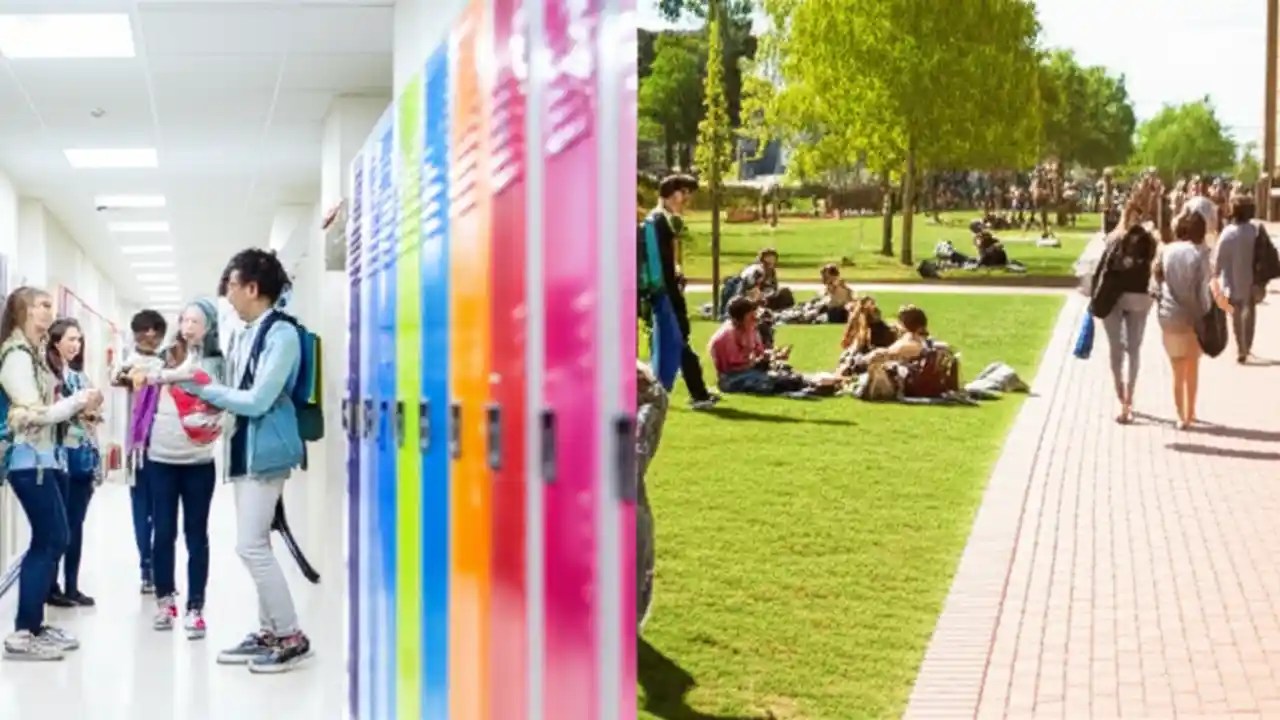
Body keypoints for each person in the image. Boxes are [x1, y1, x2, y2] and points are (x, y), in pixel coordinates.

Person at [181, 249, 310, 672]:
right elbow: (240, 391)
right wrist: (217, 410)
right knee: (257, 544)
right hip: (244, 453)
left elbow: (257, 400)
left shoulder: (282, 334)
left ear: (253, 288)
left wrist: (205, 390)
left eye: (232, 286)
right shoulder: (251, 330)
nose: (228, 295)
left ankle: (291, 635)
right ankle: (269, 631)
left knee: (250, 546)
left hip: (266, 454)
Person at [0, 287, 103, 660]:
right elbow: (33, 413)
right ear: (23, 310)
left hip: (47, 461)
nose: (50, 311)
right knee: (51, 539)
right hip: (30, 463)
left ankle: (34, 626)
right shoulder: (15, 355)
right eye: (43, 305)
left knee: (53, 539)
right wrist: (77, 401)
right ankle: (22, 634)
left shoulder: (33, 353)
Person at [137, 299, 225, 640]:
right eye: (185, 319)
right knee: (163, 532)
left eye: (197, 321)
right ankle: (165, 601)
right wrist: (163, 373)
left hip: (199, 461)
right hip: (161, 458)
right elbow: (137, 377)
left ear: (208, 327)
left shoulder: (218, 363)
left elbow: (220, 396)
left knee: (196, 534)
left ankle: (195, 607)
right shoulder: (163, 357)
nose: (189, 326)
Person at [642, 174, 718, 409]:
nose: (686, 198)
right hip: (665, 293)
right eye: (683, 193)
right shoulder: (658, 222)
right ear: (670, 194)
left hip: (667, 291)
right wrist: (669, 289)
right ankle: (697, 394)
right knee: (677, 341)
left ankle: (696, 391)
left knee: (675, 341)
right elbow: (659, 264)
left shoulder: (663, 220)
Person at [45, 319, 101, 608]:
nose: (75, 345)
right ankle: (50, 586)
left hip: (82, 462)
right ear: (55, 341)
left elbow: (89, 417)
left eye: (78, 340)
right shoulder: (51, 377)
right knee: (58, 528)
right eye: (69, 339)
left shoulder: (80, 377)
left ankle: (72, 586)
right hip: (59, 461)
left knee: (75, 527)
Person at [114, 309, 168, 594]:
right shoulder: (126, 364)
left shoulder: (168, 363)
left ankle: (160, 567)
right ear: (134, 332)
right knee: (141, 509)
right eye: (144, 330)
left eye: (156, 331)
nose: (150, 336)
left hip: (165, 448)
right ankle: (145, 566)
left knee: (164, 512)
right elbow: (118, 377)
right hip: (138, 450)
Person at [1090, 201, 1158, 424]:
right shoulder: (1151, 239)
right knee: (1134, 348)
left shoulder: (1113, 237)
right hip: (1140, 297)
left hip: (1114, 296)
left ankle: (1119, 390)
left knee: (1115, 347)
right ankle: (1130, 396)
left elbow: (1101, 270)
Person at [1154, 208, 1221, 430]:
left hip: (1169, 315)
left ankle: (1179, 414)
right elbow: (1203, 291)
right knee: (1192, 367)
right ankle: (1190, 412)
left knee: (1176, 368)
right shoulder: (1199, 254)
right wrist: (1207, 313)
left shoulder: (1166, 251)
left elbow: (1155, 284)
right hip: (1193, 317)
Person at [706, 296, 796, 395]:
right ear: (739, 317)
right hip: (731, 377)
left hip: (748, 371)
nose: (755, 317)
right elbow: (735, 365)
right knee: (774, 381)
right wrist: (760, 361)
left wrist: (775, 355)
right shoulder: (726, 336)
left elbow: (760, 352)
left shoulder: (750, 328)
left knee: (786, 375)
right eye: (750, 315)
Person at [1211, 192, 1258, 363]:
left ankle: (1241, 346)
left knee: (1236, 316)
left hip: (1232, 282)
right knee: (1250, 313)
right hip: (1252, 281)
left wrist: (1215, 273)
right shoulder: (1254, 231)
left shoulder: (1228, 233)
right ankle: (1248, 343)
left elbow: (1218, 258)